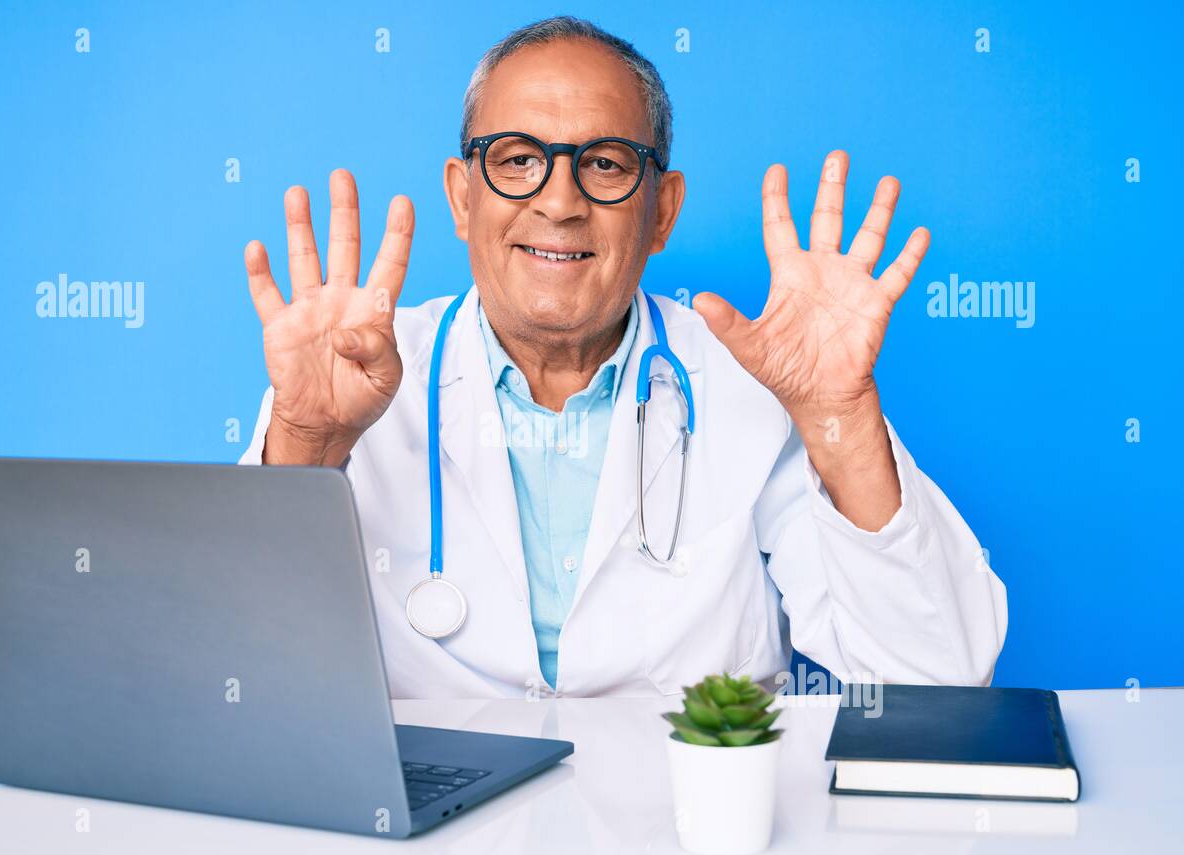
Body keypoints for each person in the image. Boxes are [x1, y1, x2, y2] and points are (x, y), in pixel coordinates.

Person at [239, 16, 1006, 698]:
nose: (560, 201)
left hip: (694, 818)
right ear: (463, 198)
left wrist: (840, 417)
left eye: (605, 164)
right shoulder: (358, 366)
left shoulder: (757, 375)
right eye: (516, 160)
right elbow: (245, 668)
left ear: (662, 210)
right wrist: (309, 442)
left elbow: (938, 676)